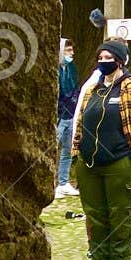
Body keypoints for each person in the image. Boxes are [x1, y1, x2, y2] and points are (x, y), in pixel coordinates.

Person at [72, 39, 131, 260]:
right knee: (95, 213)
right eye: (100, 57)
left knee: (119, 213)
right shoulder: (92, 89)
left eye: (109, 58)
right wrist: (76, 153)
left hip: (119, 162)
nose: (103, 62)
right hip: (89, 164)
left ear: (120, 60)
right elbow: (80, 122)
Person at [55, 39, 79, 199]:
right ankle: (51, 183)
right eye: (67, 50)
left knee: (68, 151)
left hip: (70, 114)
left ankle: (63, 183)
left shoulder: (71, 69)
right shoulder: (54, 70)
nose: (71, 54)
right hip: (59, 116)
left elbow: (75, 87)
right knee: (52, 149)